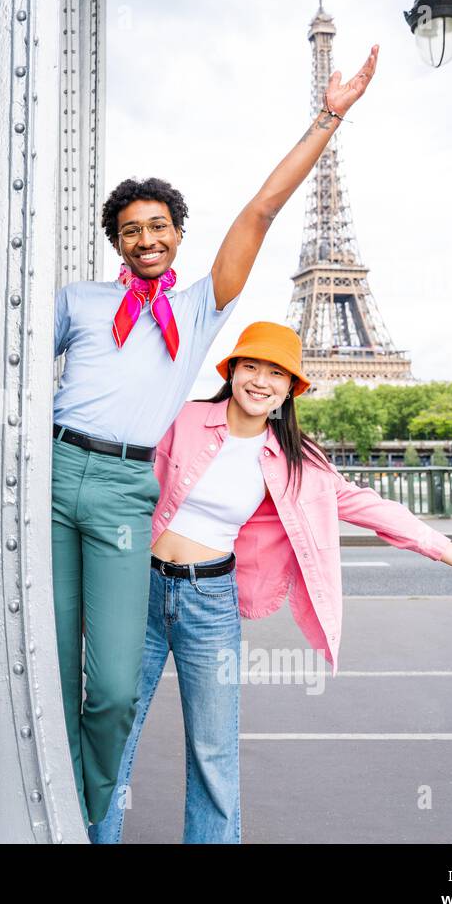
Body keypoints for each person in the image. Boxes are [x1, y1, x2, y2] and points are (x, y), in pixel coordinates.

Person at [51, 46, 384, 826]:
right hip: (55, 470)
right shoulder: (79, 300)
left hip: (128, 492)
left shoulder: (201, 307)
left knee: (114, 691)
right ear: (116, 241)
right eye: (130, 230)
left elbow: (261, 211)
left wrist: (328, 117)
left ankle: (87, 804)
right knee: (55, 671)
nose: (145, 239)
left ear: (177, 234)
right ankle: (73, 828)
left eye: (158, 226)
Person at [90, 322, 452, 843]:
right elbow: (119, 477)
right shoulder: (182, 419)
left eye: (276, 373)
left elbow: (374, 510)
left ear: (291, 388)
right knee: (112, 733)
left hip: (210, 604)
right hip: (142, 590)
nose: (261, 381)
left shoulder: (296, 461)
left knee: (213, 751)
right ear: (232, 372)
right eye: (251, 366)